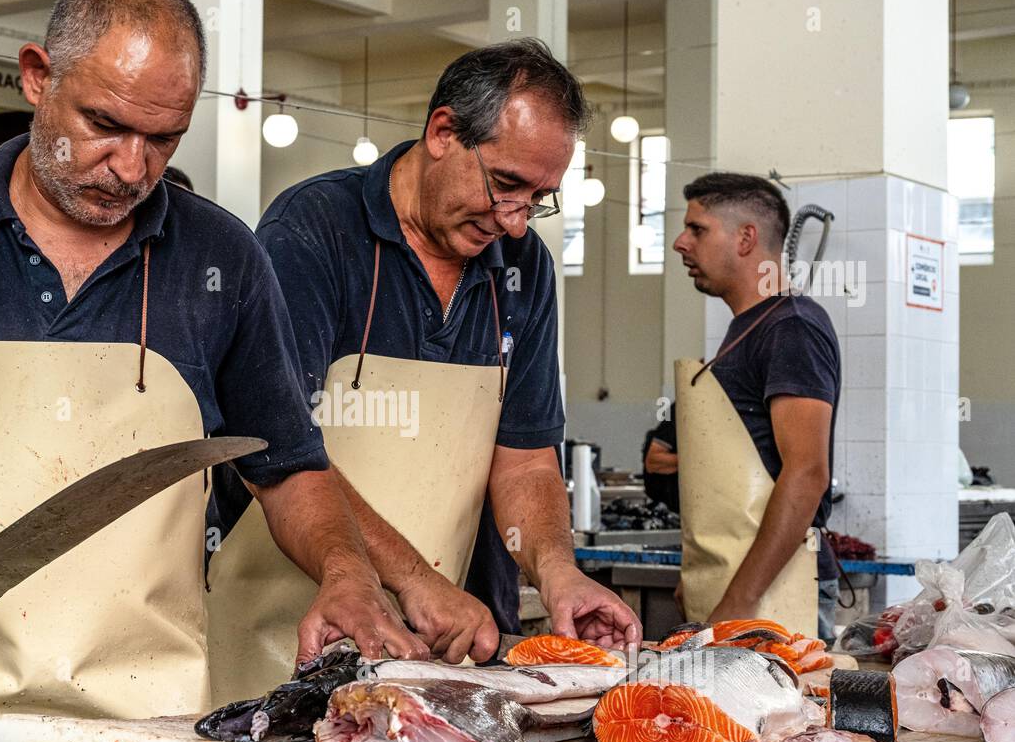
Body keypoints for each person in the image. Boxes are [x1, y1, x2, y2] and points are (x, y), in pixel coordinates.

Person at [0, 0, 426, 742]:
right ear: (37, 76)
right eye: (105, 125)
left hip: (153, 738)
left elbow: (290, 468)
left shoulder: (224, 263)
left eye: (163, 140)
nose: (130, 167)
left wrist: (346, 572)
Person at [205, 39, 641, 702]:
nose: (516, 221)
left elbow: (524, 460)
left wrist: (557, 571)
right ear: (442, 132)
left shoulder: (523, 269)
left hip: (436, 653)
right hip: (281, 642)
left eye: (540, 198)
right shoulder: (315, 232)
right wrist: (414, 579)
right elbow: (277, 445)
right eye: (506, 184)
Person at [671, 172, 841, 642]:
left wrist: (740, 601)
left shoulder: (792, 326)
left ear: (746, 237)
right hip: (733, 575)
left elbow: (807, 473)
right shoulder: (747, 328)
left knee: (789, 717)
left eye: (697, 229)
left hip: (775, 590)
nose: (679, 243)